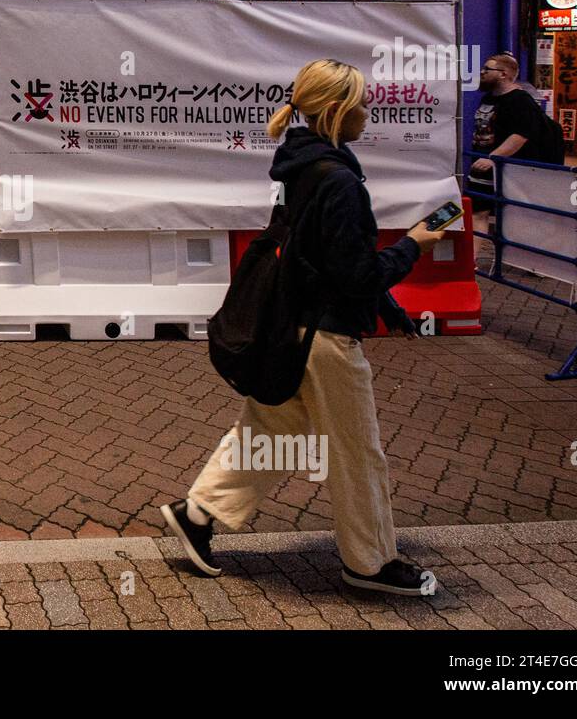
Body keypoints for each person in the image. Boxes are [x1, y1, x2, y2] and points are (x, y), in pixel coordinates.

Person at [161, 59, 447, 596]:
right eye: (361, 104)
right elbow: (356, 271)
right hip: (325, 339)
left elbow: (320, 260)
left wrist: (390, 311)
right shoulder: (339, 180)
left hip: (287, 330)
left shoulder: (300, 168)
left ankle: (198, 513)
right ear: (338, 112)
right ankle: (371, 563)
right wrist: (414, 245)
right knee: (357, 451)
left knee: (273, 433)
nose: (368, 113)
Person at [468, 52, 564, 202]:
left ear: (503, 74)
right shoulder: (488, 97)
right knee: (478, 209)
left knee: (509, 212)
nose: (482, 72)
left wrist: (492, 158)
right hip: (482, 162)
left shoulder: (521, 101)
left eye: (487, 69)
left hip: (508, 167)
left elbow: (520, 135)